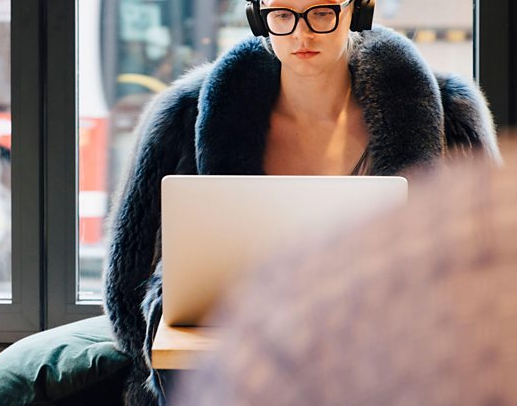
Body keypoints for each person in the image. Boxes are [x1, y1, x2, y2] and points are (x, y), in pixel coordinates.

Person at [103, 0, 500, 405]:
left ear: (359, 12)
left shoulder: (448, 116)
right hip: (242, 355)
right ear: (257, 17)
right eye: (282, 14)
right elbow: (126, 277)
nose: (300, 33)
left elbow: (492, 266)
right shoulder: (184, 114)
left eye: (322, 12)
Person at [179, 137, 517, 405]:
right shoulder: (189, 114)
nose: (304, 44)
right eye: (283, 40)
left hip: (396, 350)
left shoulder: (446, 110)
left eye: (324, 40)